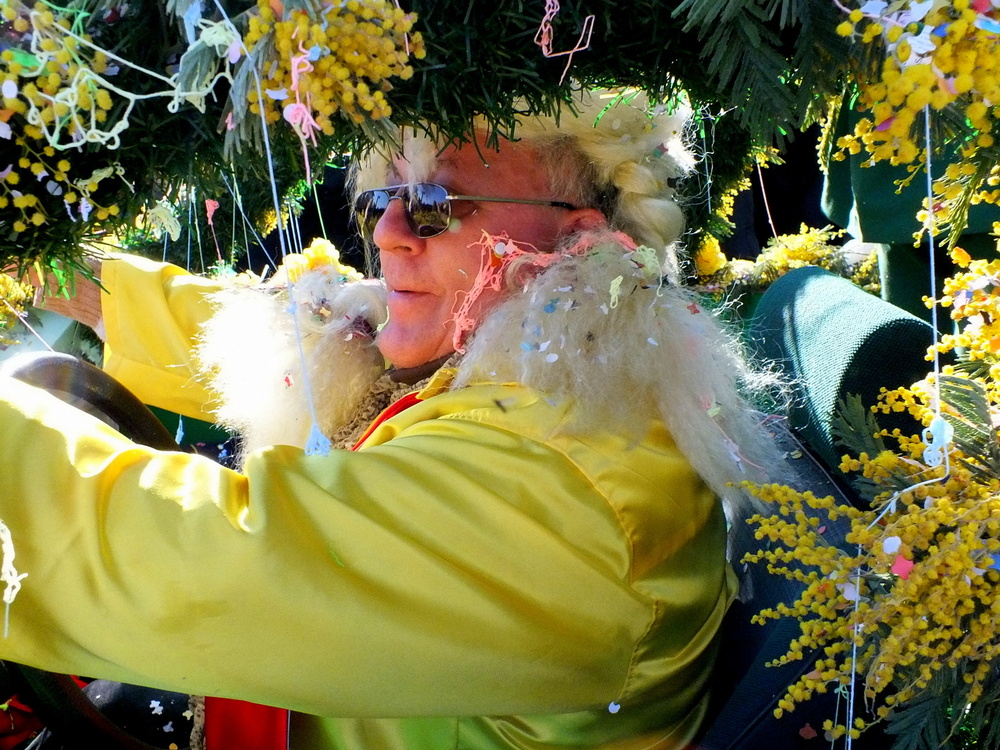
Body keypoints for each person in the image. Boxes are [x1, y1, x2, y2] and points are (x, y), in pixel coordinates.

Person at [0, 89, 782, 750]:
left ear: (577, 240)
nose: (385, 232)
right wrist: (57, 274)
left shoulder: (569, 488)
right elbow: (306, 344)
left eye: (437, 205)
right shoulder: (551, 354)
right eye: (386, 196)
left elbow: (198, 563)